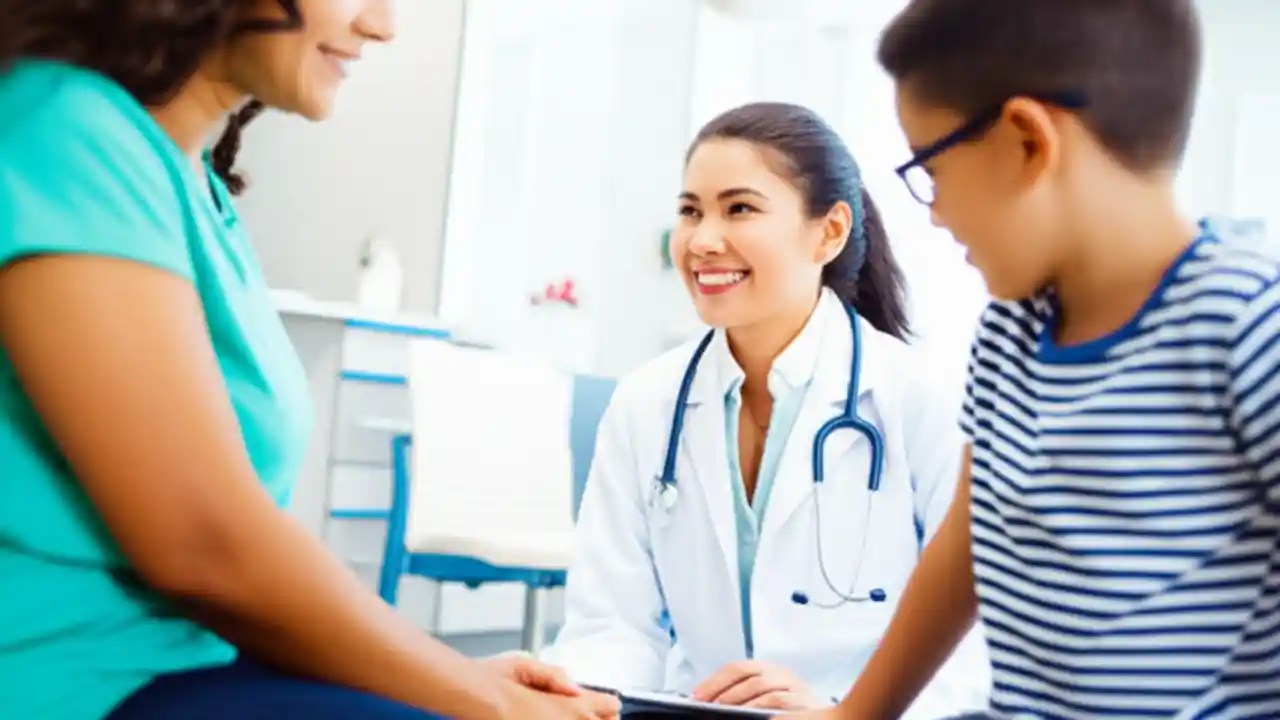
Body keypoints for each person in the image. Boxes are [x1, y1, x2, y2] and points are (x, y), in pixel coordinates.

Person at [0, 2, 621, 720]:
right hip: (73, 686)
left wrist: (454, 676)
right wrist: (479, 698)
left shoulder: (197, 188)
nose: (382, 26)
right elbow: (205, 545)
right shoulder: (66, 130)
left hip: (196, 668)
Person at [802, 1, 1280, 718]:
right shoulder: (1009, 334)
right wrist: (853, 715)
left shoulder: (1246, 322)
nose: (933, 212)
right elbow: (967, 540)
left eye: (931, 169)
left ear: (1027, 141)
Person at [544, 102, 991, 718]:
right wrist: (597, 697)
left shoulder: (919, 398)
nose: (702, 240)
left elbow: (983, 636)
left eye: (740, 208)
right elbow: (610, 623)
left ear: (829, 232)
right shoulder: (647, 403)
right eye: (690, 211)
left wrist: (846, 708)